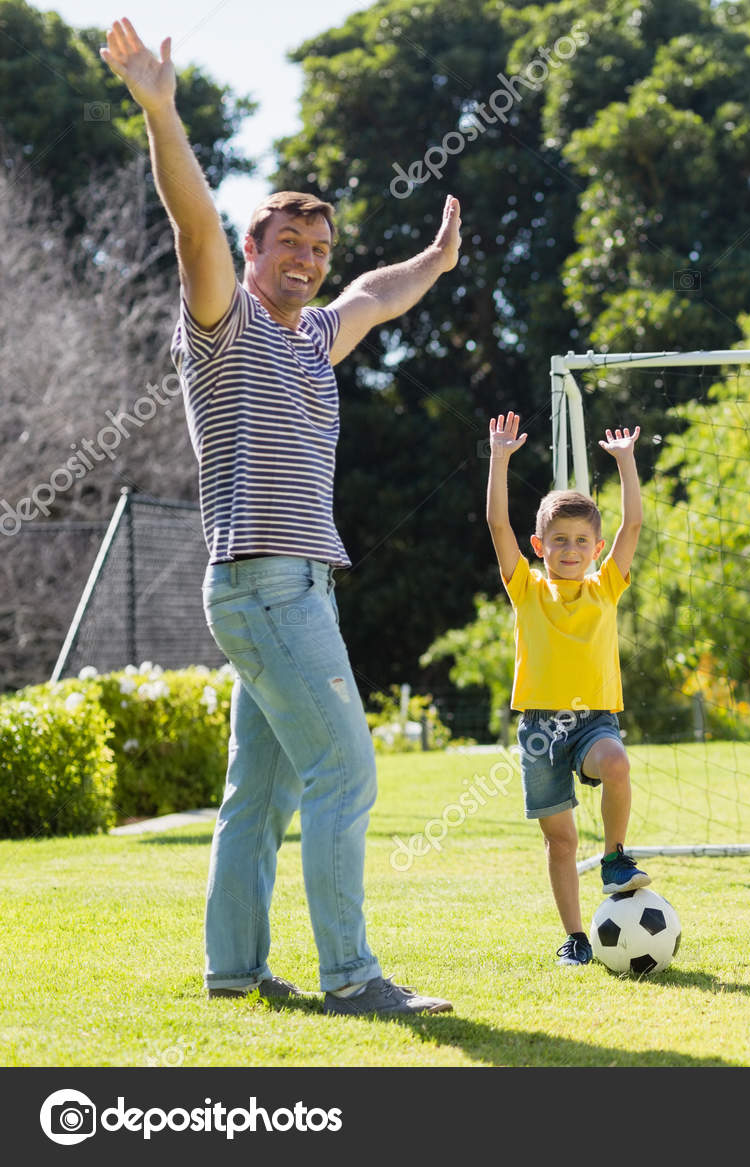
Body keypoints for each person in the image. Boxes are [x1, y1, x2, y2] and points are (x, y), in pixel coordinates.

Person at [102, 19, 462, 1014]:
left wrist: (433, 259)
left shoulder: (312, 342)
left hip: (285, 587)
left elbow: (374, 296)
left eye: (317, 246)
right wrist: (161, 113)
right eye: (286, 244)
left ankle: (232, 971)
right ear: (254, 253)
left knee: (260, 797)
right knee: (347, 772)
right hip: (267, 585)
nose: (304, 259)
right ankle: (352, 978)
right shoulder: (227, 324)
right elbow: (194, 228)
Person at [484, 412, 648, 967]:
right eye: (560, 541)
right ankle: (575, 937)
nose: (571, 549)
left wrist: (626, 463)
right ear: (541, 545)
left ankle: (616, 858)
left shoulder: (606, 588)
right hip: (538, 730)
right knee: (559, 843)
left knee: (618, 765)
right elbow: (497, 527)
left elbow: (633, 528)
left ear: (597, 547)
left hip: (594, 720)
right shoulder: (526, 589)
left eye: (582, 541)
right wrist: (499, 458)